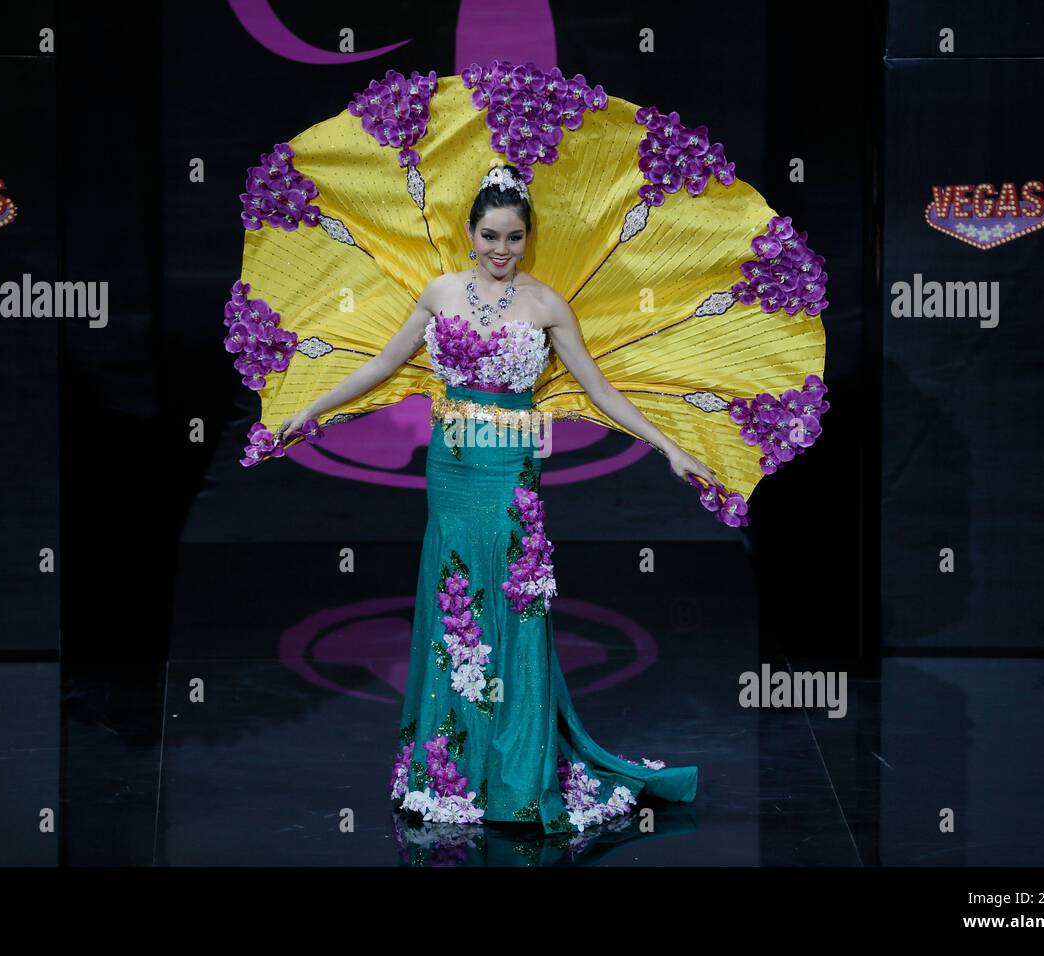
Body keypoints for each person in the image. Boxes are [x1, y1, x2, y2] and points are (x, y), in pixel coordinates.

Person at [226, 61, 829, 835]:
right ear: (469, 232)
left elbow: (604, 391)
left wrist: (668, 444)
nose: (502, 248)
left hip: (511, 466)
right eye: (489, 235)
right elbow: (381, 365)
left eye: (514, 237)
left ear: (527, 236)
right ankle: (447, 772)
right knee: (454, 609)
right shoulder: (442, 293)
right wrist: (302, 414)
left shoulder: (546, 305)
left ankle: (517, 771)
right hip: (451, 468)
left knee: (515, 610)